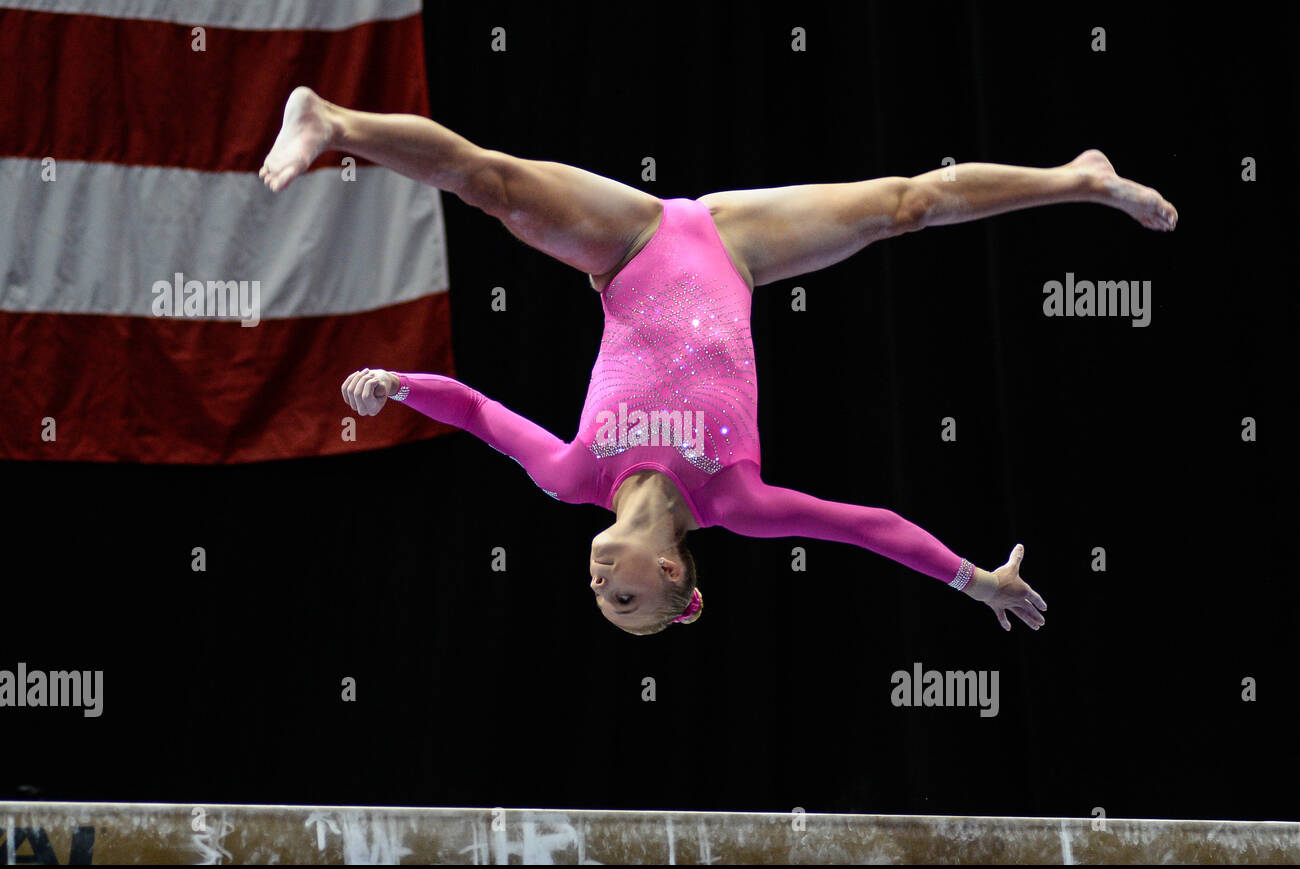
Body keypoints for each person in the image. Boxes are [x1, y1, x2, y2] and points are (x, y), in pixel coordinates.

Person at [262, 87, 1176, 635]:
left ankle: (332, 119)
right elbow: (868, 526)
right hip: (737, 247)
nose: (598, 586)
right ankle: (1080, 177)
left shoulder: (573, 474)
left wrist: (396, 385)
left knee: (490, 184)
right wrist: (975, 580)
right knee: (906, 204)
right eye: (622, 601)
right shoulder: (735, 499)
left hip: (623, 247)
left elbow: (473, 411)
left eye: (599, 598)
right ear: (670, 575)